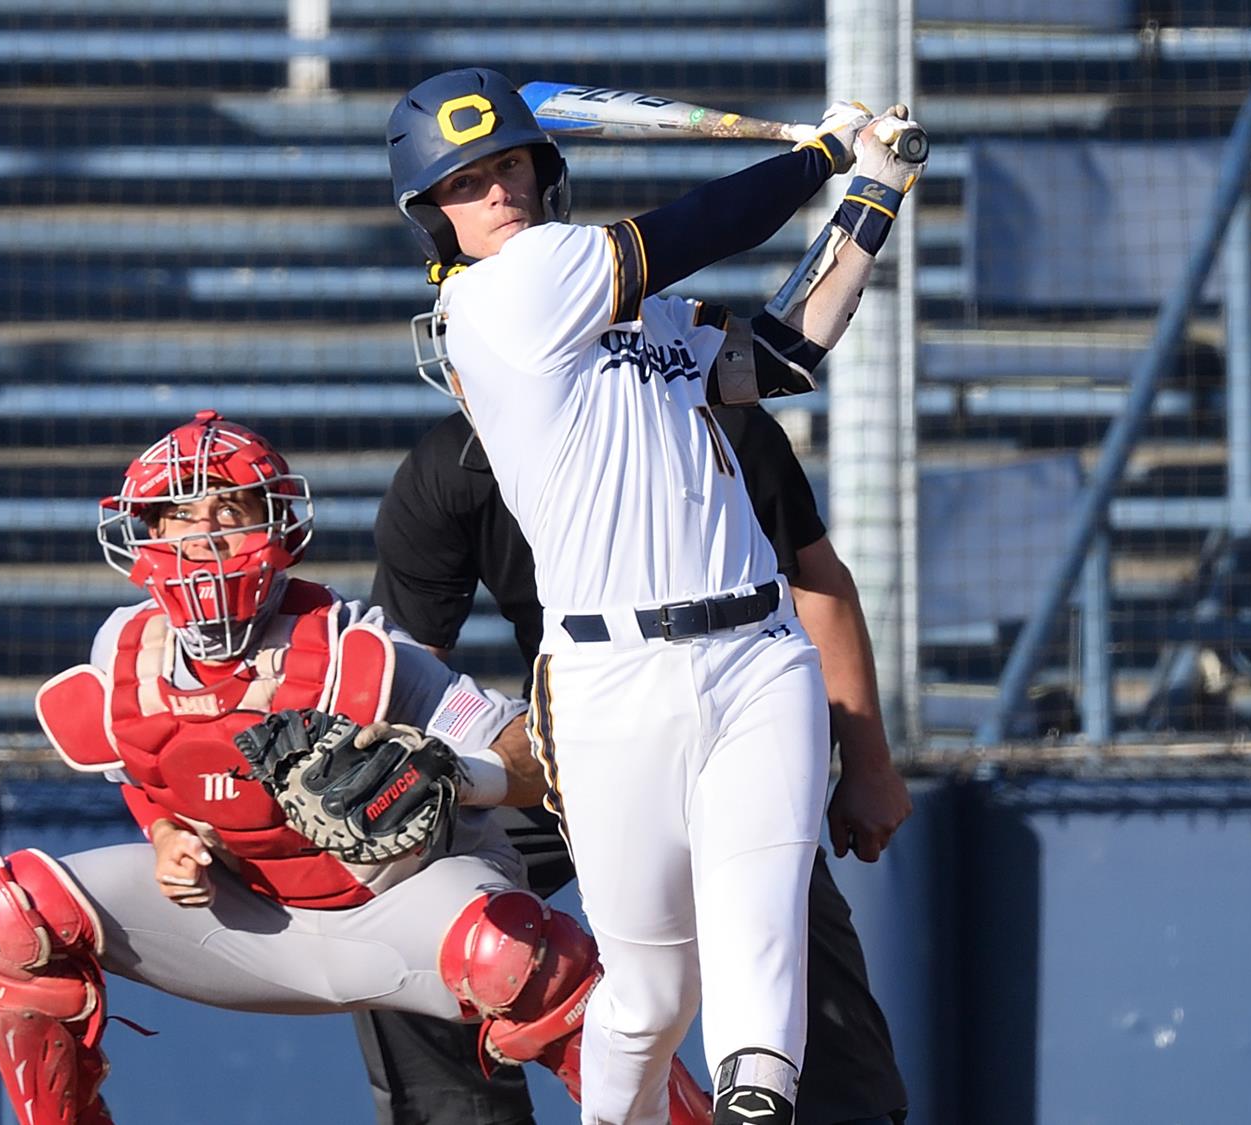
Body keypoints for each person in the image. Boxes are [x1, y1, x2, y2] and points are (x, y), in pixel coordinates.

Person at [383, 67, 926, 1125]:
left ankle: (756, 1095)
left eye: (510, 167)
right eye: (466, 182)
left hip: (757, 655)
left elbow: (779, 356)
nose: (497, 192)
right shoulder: (502, 293)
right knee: (649, 998)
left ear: (544, 173)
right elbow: (689, 227)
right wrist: (819, 158)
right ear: (430, 216)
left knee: (759, 948)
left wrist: (875, 194)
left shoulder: (612, 299)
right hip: (607, 680)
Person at [0, 410, 713, 1125]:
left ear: (277, 524)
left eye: (232, 508)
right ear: (148, 532)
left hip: (388, 909)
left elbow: (533, 754)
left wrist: (446, 771)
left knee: (517, 952)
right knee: (11, 908)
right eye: (183, 514)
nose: (209, 534)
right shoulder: (125, 651)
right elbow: (145, 769)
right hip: (238, 918)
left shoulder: (355, 651)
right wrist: (164, 836)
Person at [357, 400, 914, 1125]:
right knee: (409, 894)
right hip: (571, 745)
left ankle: (841, 1111)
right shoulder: (453, 465)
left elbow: (815, 581)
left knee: (781, 921)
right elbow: (405, 671)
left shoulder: (716, 423)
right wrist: (404, 795)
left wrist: (868, 760)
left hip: (723, 730)